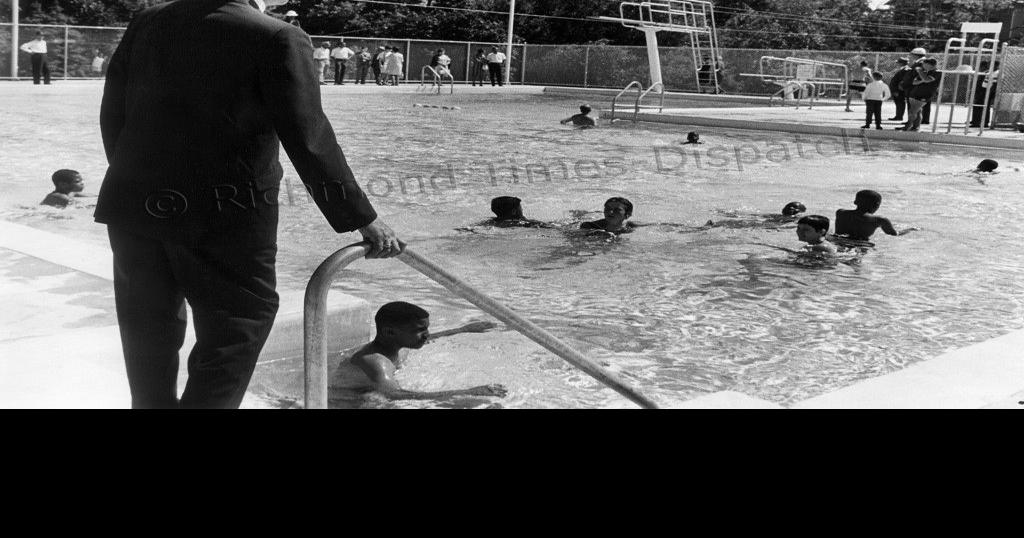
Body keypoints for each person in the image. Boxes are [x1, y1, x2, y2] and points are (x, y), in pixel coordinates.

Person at [96, 0, 402, 409]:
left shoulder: (149, 20)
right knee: (239, 322)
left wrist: (138, 183)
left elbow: (113, 111)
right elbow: (308, 138)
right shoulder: (275, 35)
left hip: (135, 206)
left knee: (148, 329)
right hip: (227, 215)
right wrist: (362, 217)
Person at [329, 302, 508, 404]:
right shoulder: (376, 363)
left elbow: (429, 338)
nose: (427, 335)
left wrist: (464, 329)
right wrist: (469, 392)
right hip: (344, 400)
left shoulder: (399, 344)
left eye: (427, 328)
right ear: (390, 332)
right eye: (420, 330)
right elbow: (396, 395)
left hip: (370, 389)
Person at [834, 190, 917, 241]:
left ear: (855, 202)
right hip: (860, 244)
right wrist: (910, 229)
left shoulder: (841, 213)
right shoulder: (880, 220)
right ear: (877, 205)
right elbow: (894, 234)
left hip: (838, 241)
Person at [898, 58, 941, 132]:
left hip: (924, 95)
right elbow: (914, 82)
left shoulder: (936, 72)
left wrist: (920, 72)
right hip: (916, 93)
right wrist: (922, 79)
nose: (922, 66)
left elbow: (927, 80)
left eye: (923, 64)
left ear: (928, 64)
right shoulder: (924, 72)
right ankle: (915, 127)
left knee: (912, 111)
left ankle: (908, 126)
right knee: (917, 112)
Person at [898, 48, 932, 128]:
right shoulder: (918, 62)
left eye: (911, 54)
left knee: (914, 109)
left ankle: (912, 126)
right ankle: (912, 125)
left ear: (915, 55)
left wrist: (913, 83)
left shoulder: (921, 63)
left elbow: (921, 76)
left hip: (915, 88)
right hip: (913, 88)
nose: (909, 56)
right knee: (914, 109)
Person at [971, 61, 999, 129]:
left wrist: (988, 93)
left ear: (996, 66)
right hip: (984, 90)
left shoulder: (997, 73)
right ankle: (977, 121)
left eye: (991, 65)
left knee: (985, 107)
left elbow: (994, 84)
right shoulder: (989, 71)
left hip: (989, 91)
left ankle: (984, 122)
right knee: (979, 106)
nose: (989, 66)